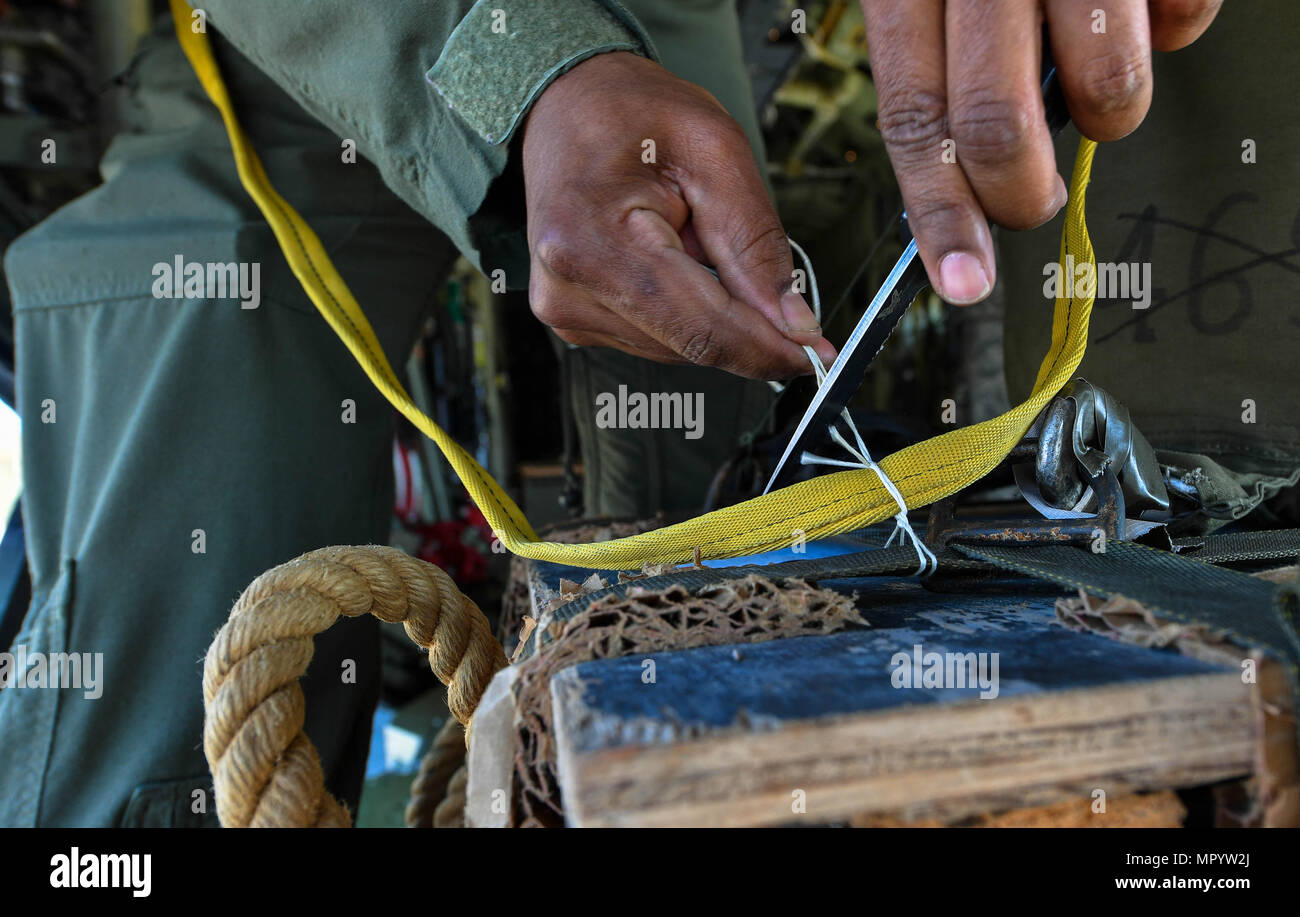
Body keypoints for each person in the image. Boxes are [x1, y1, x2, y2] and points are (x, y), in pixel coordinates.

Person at [4, 0, 1266, 827]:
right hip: (299, 53)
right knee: (201, 420)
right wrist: (524, 72)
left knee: (701, 484)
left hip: (695, 33)